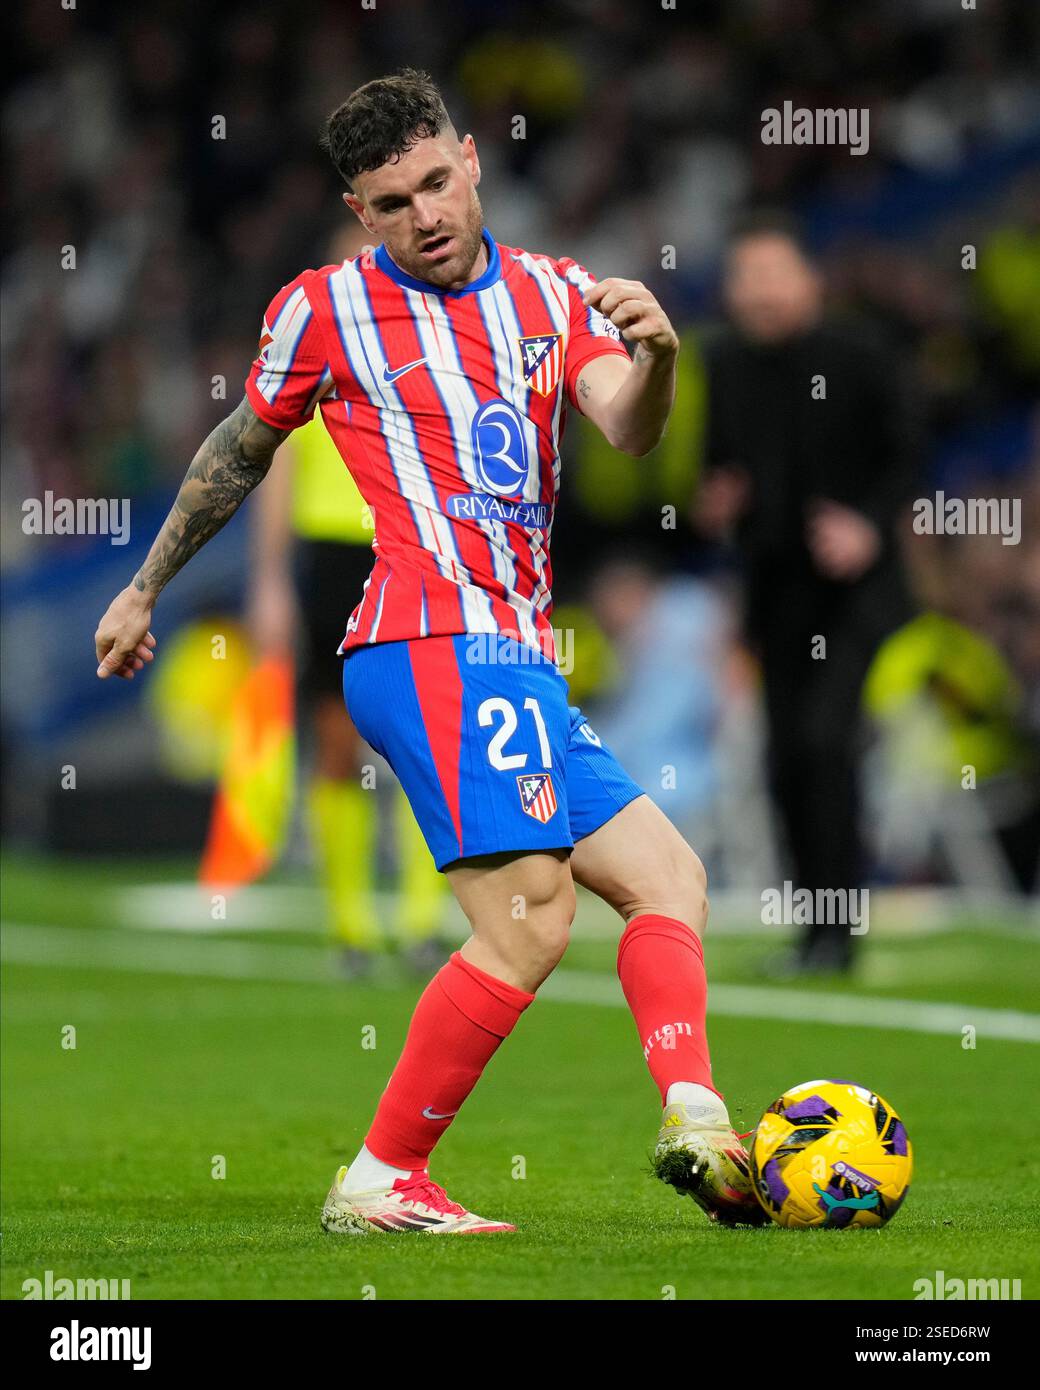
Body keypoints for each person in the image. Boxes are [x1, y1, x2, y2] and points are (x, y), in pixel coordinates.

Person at [94, 69, 764, 1234]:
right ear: (361, 212)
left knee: (668, 878)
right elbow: (239, 448)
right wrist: (145, 584)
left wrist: (655, 357)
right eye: (393, 201)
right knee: (531, 921)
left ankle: (696, 1118)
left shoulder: (554, 292)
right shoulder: (322, 308)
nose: (427, 216)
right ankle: (378, 1177)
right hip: (421, 638)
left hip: (517, 652)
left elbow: (623, 424)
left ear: (471, 159)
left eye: (437, 182)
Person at [696, 212, 918, 973]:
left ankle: (840, 931)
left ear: (807, 280)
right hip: (775, 591)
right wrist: (717, 500)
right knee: (783, 756)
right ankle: (812, 930)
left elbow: (910, 457)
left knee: (827, 740)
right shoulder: (722, 362)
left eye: (770, 275)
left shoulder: (861, 355)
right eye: (743, 278)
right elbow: (716, 467)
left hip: (857, 596)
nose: (756, 293)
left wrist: (868, 526)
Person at [248, 225, 449, 977]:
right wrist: (268, 583)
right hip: (331, 555)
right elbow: (271, 465)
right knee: (337, 745)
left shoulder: (426, 344)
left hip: (408, 545)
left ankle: (424, 923)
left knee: (421, 742)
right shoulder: (311, 342)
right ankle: (352, 927)